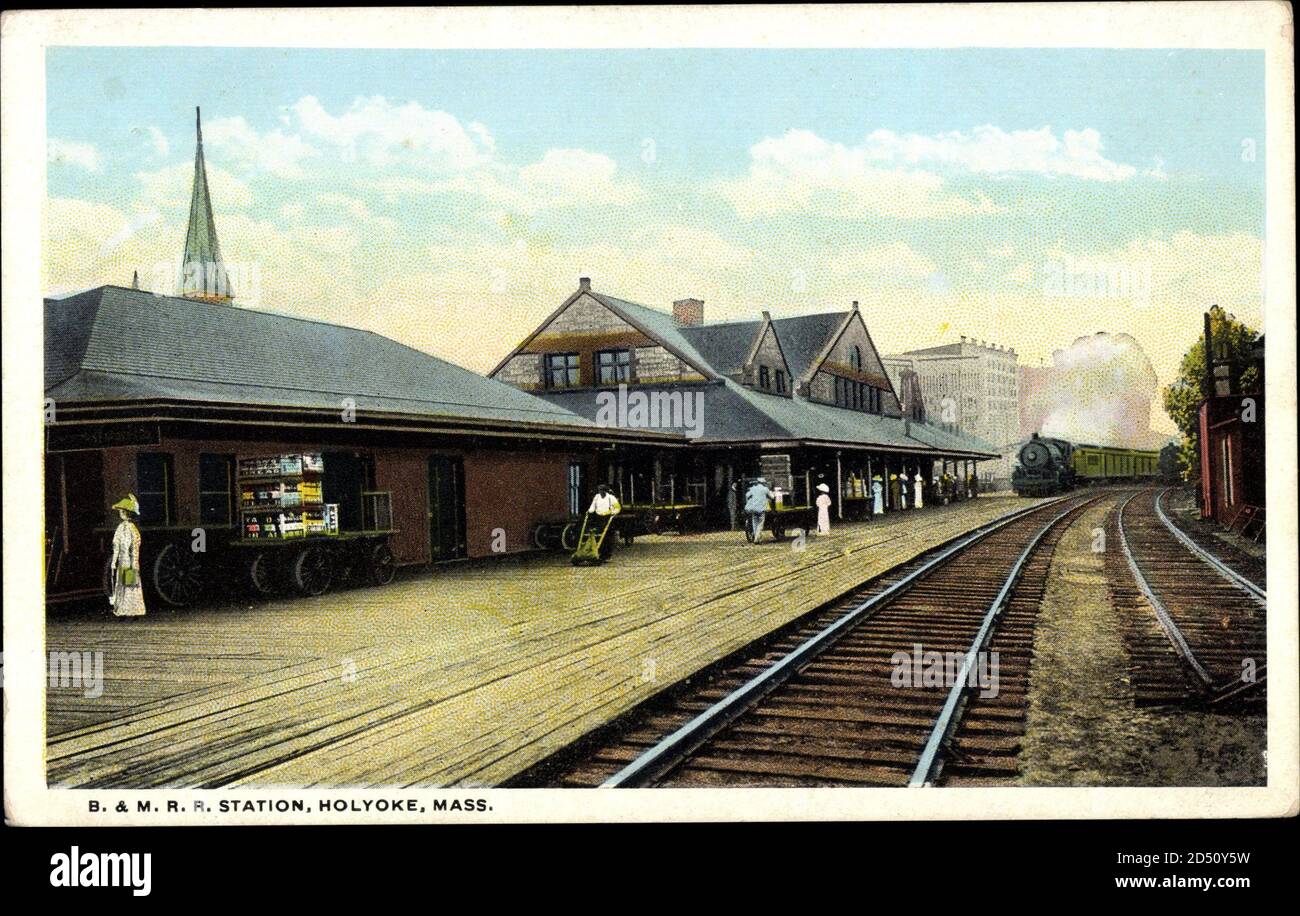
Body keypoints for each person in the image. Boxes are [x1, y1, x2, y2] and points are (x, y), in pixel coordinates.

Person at [108, 494, 147, 618]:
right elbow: (117, 545)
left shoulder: (131, 529)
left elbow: (133, 546)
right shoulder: (121, 528)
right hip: (123, 560)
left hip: (129, 560)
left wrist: (132, 562)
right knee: (123, 584)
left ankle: (133, 611)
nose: (120, 513)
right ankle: (123, 610)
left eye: (121, 511)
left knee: (130, 584)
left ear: (126, 513)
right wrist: (114, 561)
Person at [586, 483, 621, 560]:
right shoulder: (597, 497)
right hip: (599, 517)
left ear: (605, 491)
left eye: (602, 490)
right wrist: (590, 511)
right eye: (599, 490)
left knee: (607, 537)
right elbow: (593, 506)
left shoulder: (611, 498)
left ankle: (607, 554)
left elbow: (617, 507)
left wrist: (614, 512)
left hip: (608, 517)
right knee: (599, 535)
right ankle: (598, 552)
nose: (600, 492)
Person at [743, 477, 774, 543]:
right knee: (760, 524)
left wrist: (748, 502)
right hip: (761, 509)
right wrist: (770, 492)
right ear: (763, 483)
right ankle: (757, 538)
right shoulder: (765, 489)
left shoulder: (753, 489)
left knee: (755, 523)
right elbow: (772, 497)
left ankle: (756, 537)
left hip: (753, 508)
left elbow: (747, 495)